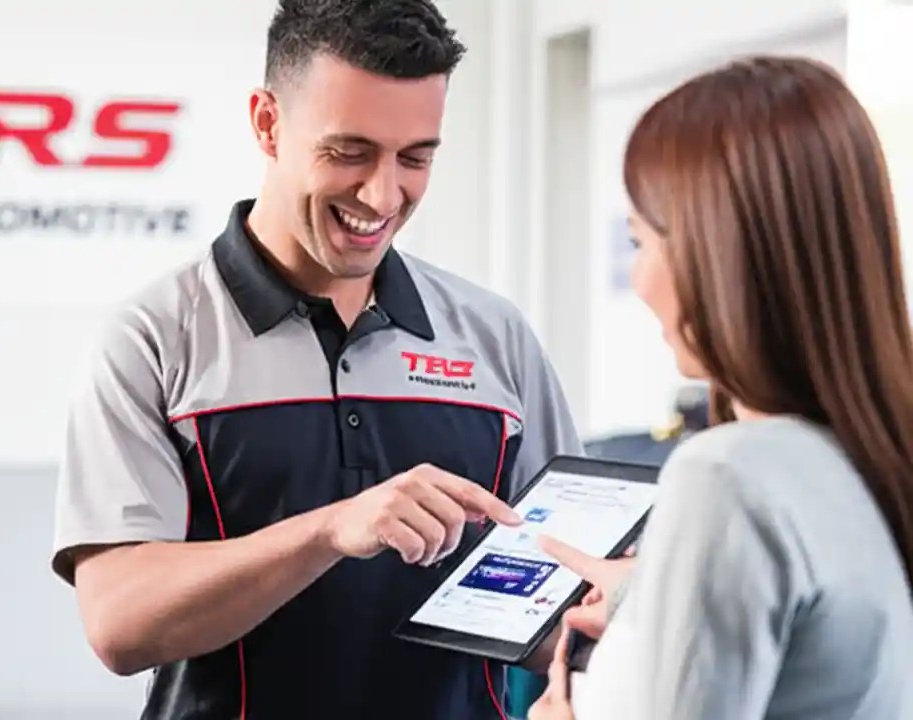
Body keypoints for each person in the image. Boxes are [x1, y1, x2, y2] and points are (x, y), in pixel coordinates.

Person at [49, 1, 583, 717]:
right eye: (349, 152)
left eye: (415, 157)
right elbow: (119, 622)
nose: (382, 194)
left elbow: (571, 592)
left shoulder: (495, 337)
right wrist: (331, 531)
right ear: (268, 123)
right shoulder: (155, 336)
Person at [528, 56, 913, 719]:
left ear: (717, 256)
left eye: (639, 241)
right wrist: (652, 593)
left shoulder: (728, 475)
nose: (640, 277)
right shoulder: (877, 452)